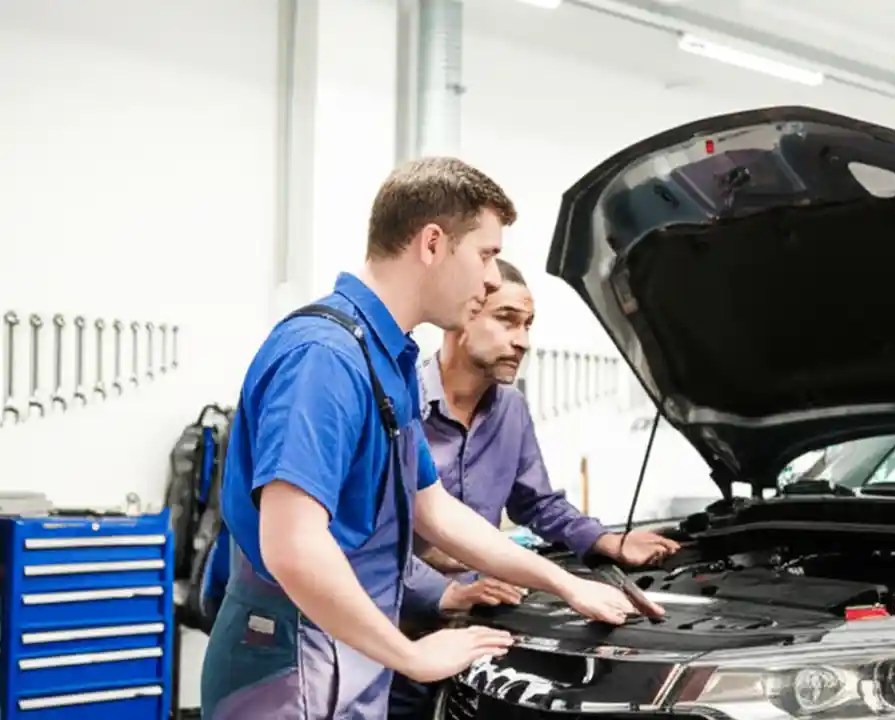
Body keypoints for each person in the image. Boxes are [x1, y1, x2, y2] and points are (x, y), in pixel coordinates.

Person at [200, 157, 641, 720]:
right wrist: (412, 656)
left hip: (345, 646)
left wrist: (564, 584)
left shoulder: (388, 359)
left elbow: (433, 509)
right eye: (485, 254)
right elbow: (293, 547)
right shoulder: (325, 358)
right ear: (432, 243)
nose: (489, 278)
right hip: (294, 660)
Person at [387, 258, 680, 717]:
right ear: (462, 318)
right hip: (389, 639)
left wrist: (609, 542)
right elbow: (366, 540)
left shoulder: (511, 410)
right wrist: (442, 592)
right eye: (506, 320)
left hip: (481, 634)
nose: (522, 341)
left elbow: (536, 502)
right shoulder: (398, 407)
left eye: (528, 325)